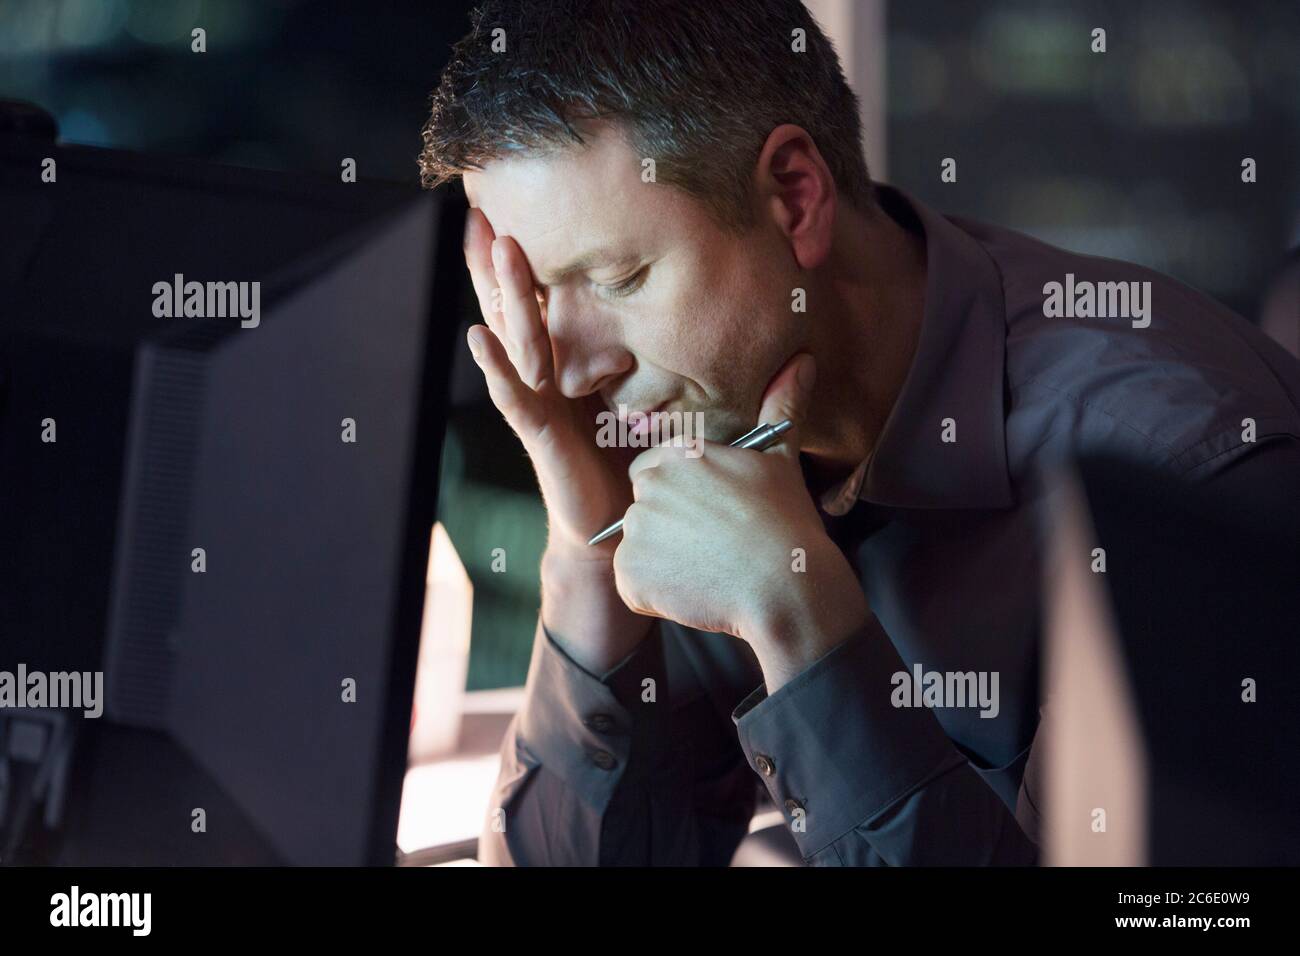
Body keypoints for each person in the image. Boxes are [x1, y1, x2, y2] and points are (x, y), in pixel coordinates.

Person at [418, 0, 1300, 865]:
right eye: (534, 298)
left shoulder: (1188, 470)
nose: (571, 373)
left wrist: (804, 625)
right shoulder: (709, 424)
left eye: (616, 277)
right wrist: (585, 554)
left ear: (795, 197)